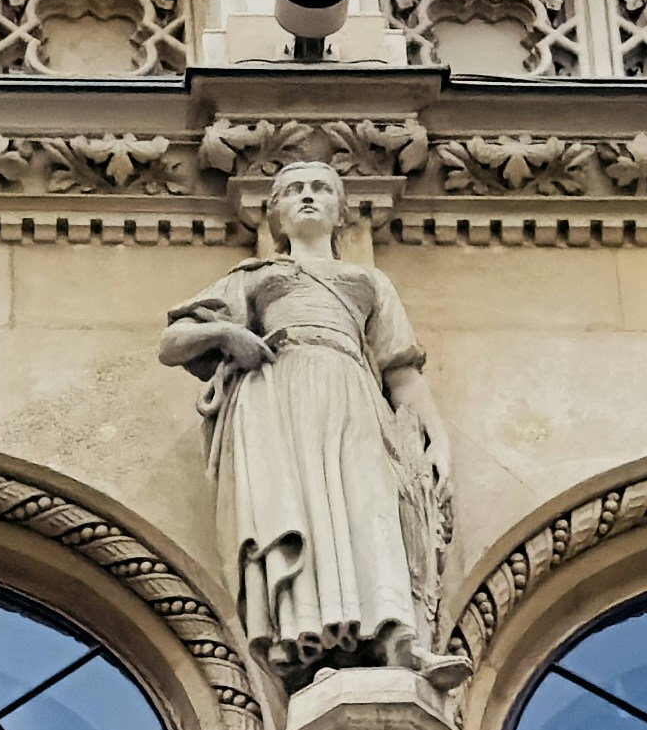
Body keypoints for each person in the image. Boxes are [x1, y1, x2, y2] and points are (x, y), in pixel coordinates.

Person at [166, 150, 451, 680]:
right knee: (298, 510)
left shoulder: (367, 282)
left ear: (341, 211)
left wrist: (435, 438)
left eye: (321, 189)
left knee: (369, 507)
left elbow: (403, 372)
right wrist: (229, 334)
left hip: (351, 391)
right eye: (295, 189)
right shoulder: (255, 276)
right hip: (278, 396)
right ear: (275, 212)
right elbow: (174, 341)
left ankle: (399, 639)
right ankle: (312, 643)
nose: (308, 196)